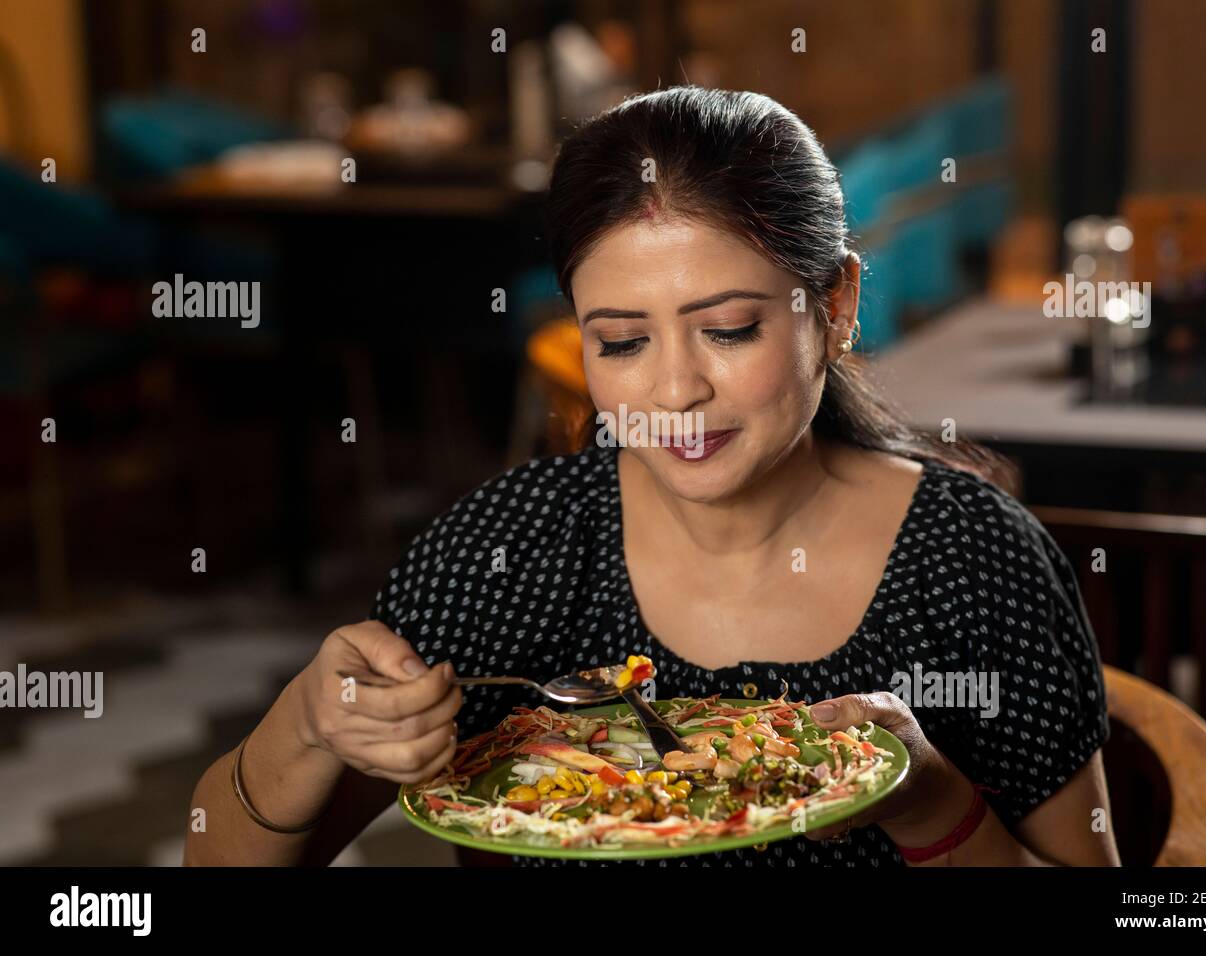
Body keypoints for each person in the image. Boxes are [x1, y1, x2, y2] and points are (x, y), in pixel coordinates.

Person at [185, 87, 1118, 867]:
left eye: (730, 329)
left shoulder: (973, 561)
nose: (673, 390)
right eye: (622, 342)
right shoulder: (511, 556)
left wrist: (928, 801)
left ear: (834, 305)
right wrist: (308, 725)